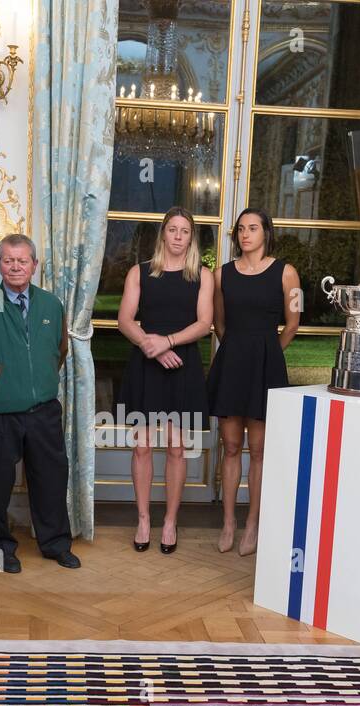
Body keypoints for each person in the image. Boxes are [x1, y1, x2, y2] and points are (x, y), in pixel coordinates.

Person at [0, 234, 80, 573]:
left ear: (34, 265)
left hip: (44, 410)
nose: (15, 266)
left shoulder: (51, 305)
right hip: (0, 412)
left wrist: (39, 379)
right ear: (0, 265)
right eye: (8, 260)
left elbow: (58, 351)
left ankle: (56, 544)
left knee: (50, 479)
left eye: (22, 260)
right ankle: (1, 550)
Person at [116, 207, 214, 553]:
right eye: (172, 230)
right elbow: (125, 320)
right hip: (146, 364)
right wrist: (152, 347)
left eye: (184, 231)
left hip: (182, 366)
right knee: (142, 446)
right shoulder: (140, 273)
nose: (177, 236)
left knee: (176, 448)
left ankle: (170, 522)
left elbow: (205, 323)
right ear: (163, 234)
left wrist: (168, 342)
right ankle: (144, 519)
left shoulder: (203, 275)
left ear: (191, 237)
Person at [207, 207, 300, 555]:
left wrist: (269, 353)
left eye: (253, 228)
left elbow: (293, 322)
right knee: (230, 447)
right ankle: (229, 522)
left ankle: (253, 524)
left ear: (266, 233)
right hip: (232, 362)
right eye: (241, 229)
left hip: (266, 364)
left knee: (259, 451)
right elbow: (219, 323)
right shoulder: (222, 275)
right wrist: (239, 350)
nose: (246, 234)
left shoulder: (286, 272)